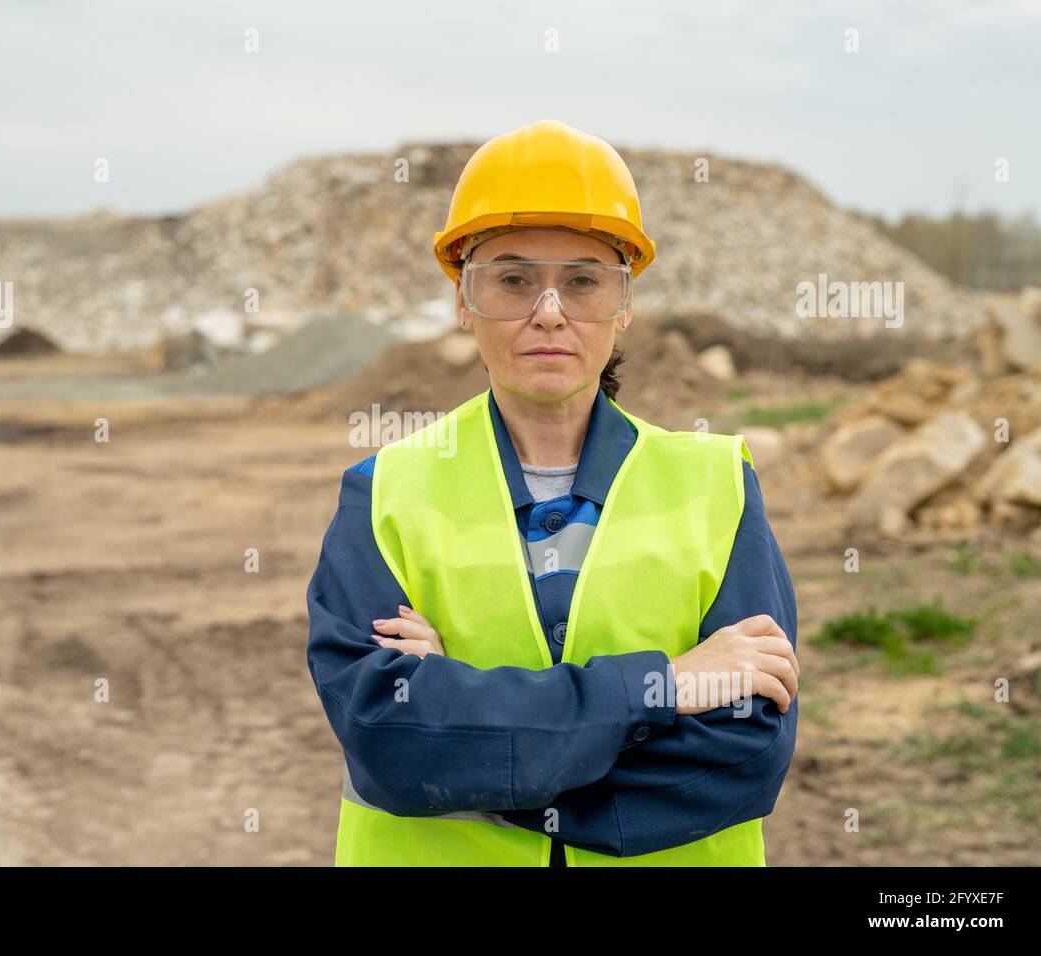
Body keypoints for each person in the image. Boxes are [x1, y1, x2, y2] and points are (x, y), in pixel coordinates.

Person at [305, 119, 800, 866]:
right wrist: (662, 687)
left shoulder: (718, 485)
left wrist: (475, 742)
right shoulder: (384, 495)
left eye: (584, 280)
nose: (548, 310)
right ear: (463, 303)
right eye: (511, 278)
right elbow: (393, 742)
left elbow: (738, 758)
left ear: (624, 303)